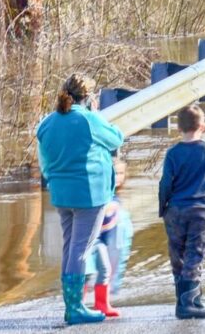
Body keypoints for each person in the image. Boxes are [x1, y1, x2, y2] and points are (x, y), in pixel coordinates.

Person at [35, 73, 124, 325]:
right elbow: (116, 138)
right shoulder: (89, 119)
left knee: (69, 246)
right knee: (81, 249)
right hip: (89, 193)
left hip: (61, 194)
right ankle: (74, 308)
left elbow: (44, 159)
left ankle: (72, 304)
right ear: (88, 97)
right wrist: (96, 113)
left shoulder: (47, 123)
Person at [159, 105, 205, 320]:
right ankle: (188, 304)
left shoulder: (172, 153)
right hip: (201, 211)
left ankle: (188, 300)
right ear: (203, 126)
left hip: (175, 210)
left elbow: (165, 183)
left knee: (177, 256)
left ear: (178, 128)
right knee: (195, 255)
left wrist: (163, 208)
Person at [83, 158, 134, 318]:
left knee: (105, 269)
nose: (118, 177)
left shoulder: (115, 195)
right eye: (114, 173)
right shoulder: (100, 193)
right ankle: (79, 303)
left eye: (120, 173)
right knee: (90, 272)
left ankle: (102, 303)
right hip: (91, 238)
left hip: (104, 238)